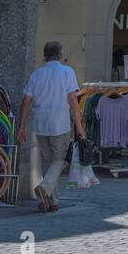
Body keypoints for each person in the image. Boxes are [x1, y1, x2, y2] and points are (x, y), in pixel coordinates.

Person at [16, 41, 85, 213]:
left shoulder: (36, 74)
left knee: (51, 162)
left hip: (39, 124)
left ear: (44, 56)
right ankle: (44, 187)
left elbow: (25, 101)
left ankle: (53, 203)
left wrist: (21, 126)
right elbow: (73, 101)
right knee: (61, 160)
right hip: (59, 123)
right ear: (60, 55)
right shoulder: (67, 72)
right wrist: (79, 125)